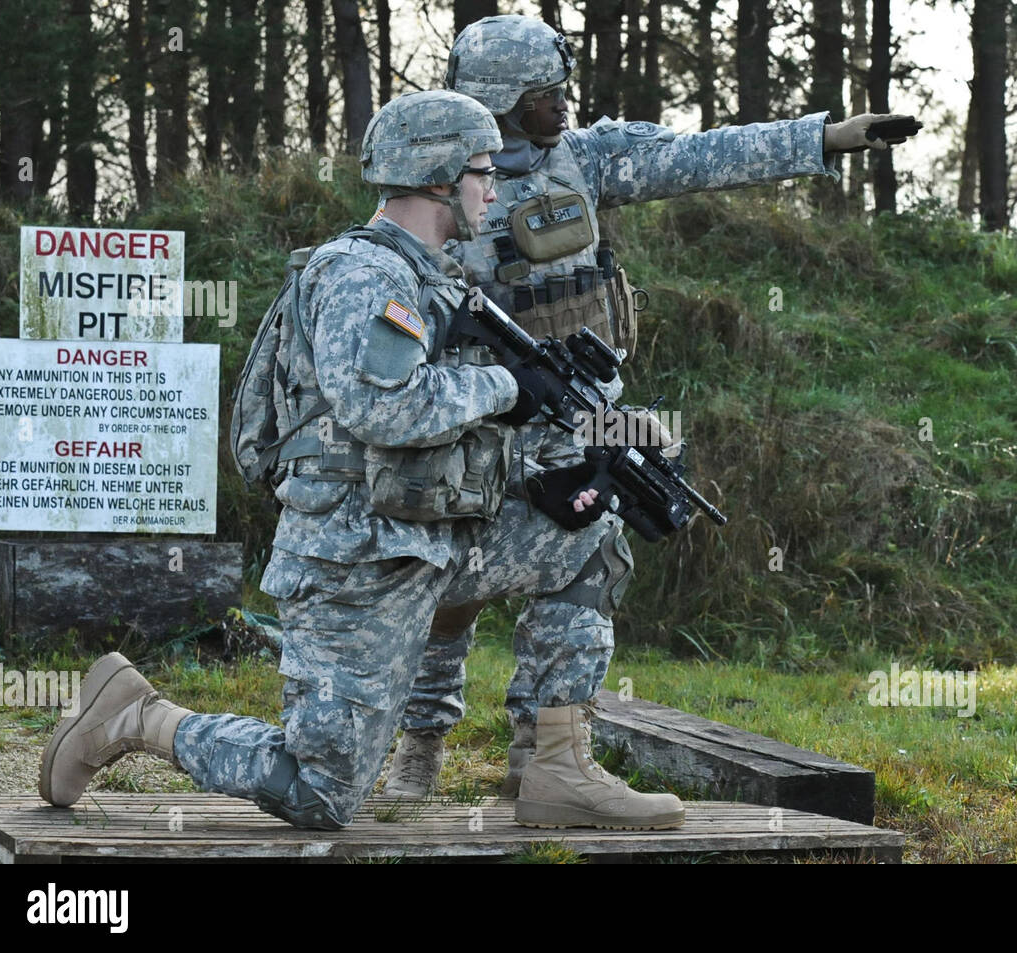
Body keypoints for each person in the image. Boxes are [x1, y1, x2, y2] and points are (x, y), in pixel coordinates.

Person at [39, 89, 683, 832]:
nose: (494, 187)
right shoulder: (358, 273)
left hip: (430, 538)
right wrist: (508, 385)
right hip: (351, 560)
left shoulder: (436, 279)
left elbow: (472, 429)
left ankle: (557, 768)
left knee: (588, 535)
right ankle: (133, 715)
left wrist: (599, 437)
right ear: (440, 178)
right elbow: (387, 407)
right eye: (482, 171)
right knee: (319, 793)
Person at [386, 13, 922, 799]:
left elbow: (699, 156)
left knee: (588, 554)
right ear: (501, 101)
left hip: (580, 417)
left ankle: (542, 754)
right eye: (543, 94)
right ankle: (421, 744)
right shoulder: (437, 179)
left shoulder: (586, 161)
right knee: (449, 589)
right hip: (475, 416)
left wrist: (828, 138)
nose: (562, 104)